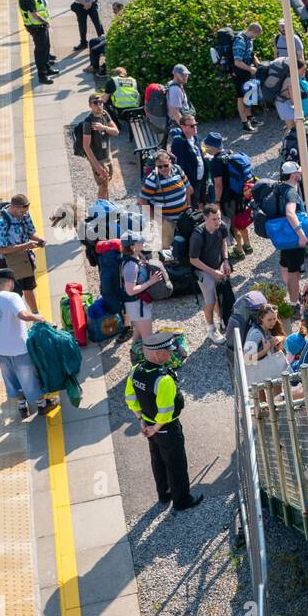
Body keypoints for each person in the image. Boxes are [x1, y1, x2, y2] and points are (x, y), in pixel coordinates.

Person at [125, 332, 204, 512]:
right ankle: (182, 500)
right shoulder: (164, 379)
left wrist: (142, 421)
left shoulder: (135, 370)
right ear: (157, 354)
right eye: (168, 351)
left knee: (158, 459)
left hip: (148, 423)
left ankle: (164, 493)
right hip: (165, 428)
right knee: (176, 463)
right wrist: (156, 427)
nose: (171, 354)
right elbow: (166, 410)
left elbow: (130, 398)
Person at [0, 269, 58, 418]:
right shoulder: (12, 297)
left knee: (13, 379)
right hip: (19, 348)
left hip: (1, 351)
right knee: (29, 378)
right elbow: (22, 314)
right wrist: (38, 318)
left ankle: (22, 408)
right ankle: (42, 405)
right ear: (10, 282)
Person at [0, 194, 47, 311]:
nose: (24, 214)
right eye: (21, 211)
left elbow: (30, 233)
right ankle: (18, 321)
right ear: (13, 207)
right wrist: (25, 246)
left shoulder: (24, 214)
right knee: (14, 295)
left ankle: (35, 316)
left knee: (29, 287)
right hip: (8, 263)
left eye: (25, 211)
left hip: (24, 258)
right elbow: (0, 249)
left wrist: (38, 239)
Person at [188, 203, 232, 344]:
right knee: (210, 301)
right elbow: (193, 260)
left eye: (218, 218)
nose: (218, 222)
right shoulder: (198, 235)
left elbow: (223, 243)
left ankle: (222, 321)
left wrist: (225, 261)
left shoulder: (222, 226)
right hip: (203, 270)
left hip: (218, 265)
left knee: (221, 294)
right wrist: (213, 272)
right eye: (214, 219)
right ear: (205, 218)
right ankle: (211, 329)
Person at [204, 132, 253, 257]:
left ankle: (239, 250)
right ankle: (248, 245)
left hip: (228, 198)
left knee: (233, 224)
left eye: (208, 145)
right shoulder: (230, 152)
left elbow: (218, 184)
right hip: (239, 194)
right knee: (241, 219)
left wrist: (218, 202)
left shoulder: (216, 161)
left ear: (211, 146)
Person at [275, 161, 308, 310]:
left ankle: (292, 295)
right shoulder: (291, 192)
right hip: (293, 237)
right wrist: (301, 234)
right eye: (299, 172)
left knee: (285, 266)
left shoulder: (279, 188)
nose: (301, 174)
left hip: (284, 236)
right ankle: (294, 303)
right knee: (294, 272)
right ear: (294, 175)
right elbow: (290, 213)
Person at [140, 151, 190, 251]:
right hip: (166, 222)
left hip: (183, 218)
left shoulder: (178, 170)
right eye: (159, 167)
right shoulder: (152, 179)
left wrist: (189, 207)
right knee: (166, 249)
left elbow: (188, 188)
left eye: (165, 165)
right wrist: (156, 219)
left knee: (184, 245)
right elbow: (142, 201)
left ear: (170, 162)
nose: (163, 169)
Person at [120, 234, 163, 342]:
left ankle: (136, 355)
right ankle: (148, 358)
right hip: (136, 306)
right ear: (131, 247)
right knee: (148, 338)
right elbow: (130, 291)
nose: (142, 243)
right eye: (139, 242)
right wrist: (151, 282)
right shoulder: (131, 266)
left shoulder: (136, 257)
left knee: (138, 334)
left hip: (139, 304)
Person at [18, 0, 57, 85]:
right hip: (36, 27)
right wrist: (45, 22)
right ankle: (42, 75)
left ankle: (47, 68)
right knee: (40, 51)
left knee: (46, 47)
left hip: (41, 26)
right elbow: (34, 14)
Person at [81, 93, 120, 200]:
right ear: (90, 105)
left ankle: (106, 206)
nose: (99, 105)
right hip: (98, 160)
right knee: (103, 185)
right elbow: (86, 146)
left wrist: (104, 128)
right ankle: (103, 209)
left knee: (106, 184)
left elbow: (116, 131)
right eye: (95, 103)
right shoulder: (88, 122)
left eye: (101, 102)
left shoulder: (104, 114)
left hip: (108, 156)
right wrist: (97, 166)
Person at [168, 113, 207, 207]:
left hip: (201, 178)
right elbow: (180, 165)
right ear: (183, 127)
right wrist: (186, 184)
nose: (195, 127)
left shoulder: (195, 138)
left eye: (196, 124)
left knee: (203, 201)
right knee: (193, 205)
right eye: (192, 126)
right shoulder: (179, 142)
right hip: (191, 180)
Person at [232, 23, 263, 131]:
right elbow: (237, 61)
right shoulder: (240, 41)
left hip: (248, 71)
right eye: (256, 35)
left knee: (250, 94)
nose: (256, 37)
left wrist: (256, 62)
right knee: (241, 98)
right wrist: (250, 69)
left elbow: (250, 53)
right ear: (253, 32)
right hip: (239, 72)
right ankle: (244, 122)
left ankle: (250, 117)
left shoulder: (249, 39)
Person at [165, 64, 196, 129]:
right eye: (182, 75)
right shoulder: (175, 90)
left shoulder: (171, 83)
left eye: (186, 74)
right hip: (178, 123)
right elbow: (175, 112)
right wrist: (185, 127)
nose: (185, 76)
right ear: (175, 74)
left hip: (182, 120)